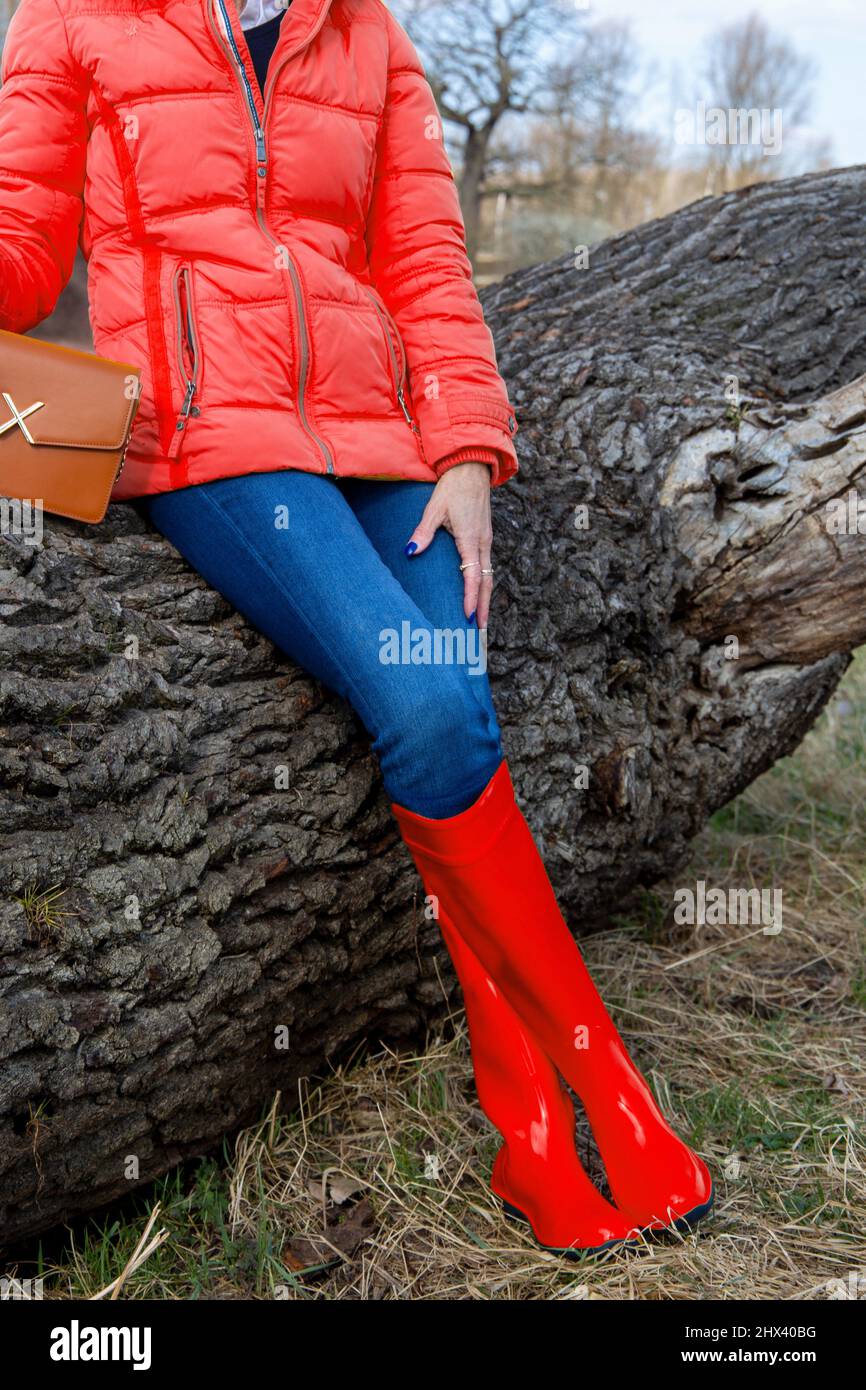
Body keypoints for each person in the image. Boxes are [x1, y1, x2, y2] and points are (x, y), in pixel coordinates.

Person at [0, 0, 713, 1255]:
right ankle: (603, 1083)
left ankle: (532, 1133)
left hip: (384, 443)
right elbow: (19, 238)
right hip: (213, 443)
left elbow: (424, 259)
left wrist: (467, 449)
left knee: (452, 710)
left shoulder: (366, 32)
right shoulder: (73, 18)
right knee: (429, 700)